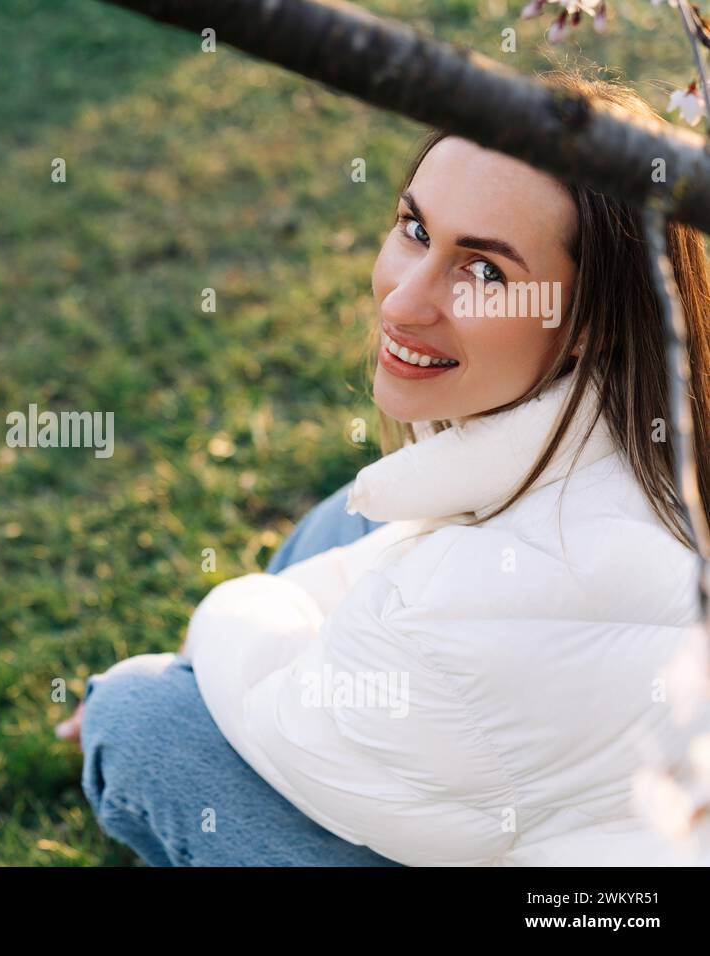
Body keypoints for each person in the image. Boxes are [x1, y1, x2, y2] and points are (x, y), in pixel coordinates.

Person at [55, 71, 710, 866]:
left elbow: (284, 704)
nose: (403, 302)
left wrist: (224, 627)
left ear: (590, 325)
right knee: (354, 514)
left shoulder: (474, 620)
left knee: (139, 717)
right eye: (416, 228)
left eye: (486, 272)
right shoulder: (651, 410)